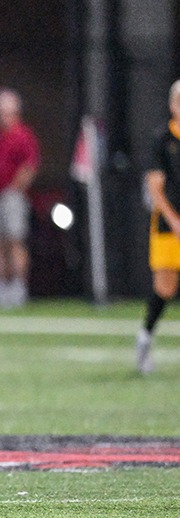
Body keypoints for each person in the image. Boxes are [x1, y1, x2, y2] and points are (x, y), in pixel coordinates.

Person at [0, 87, 40, 308]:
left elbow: (30, 166)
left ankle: (18, 288)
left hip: (11, 196)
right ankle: (0, 288)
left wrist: (15, 188)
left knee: (14, 242)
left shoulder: (23, 135)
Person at [136, 79, 180, 375]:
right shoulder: (162, 140)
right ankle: (145, 338)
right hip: (168, 224)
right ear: (173, 104)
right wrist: (174, 220)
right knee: (166, 285)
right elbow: (155, 187)